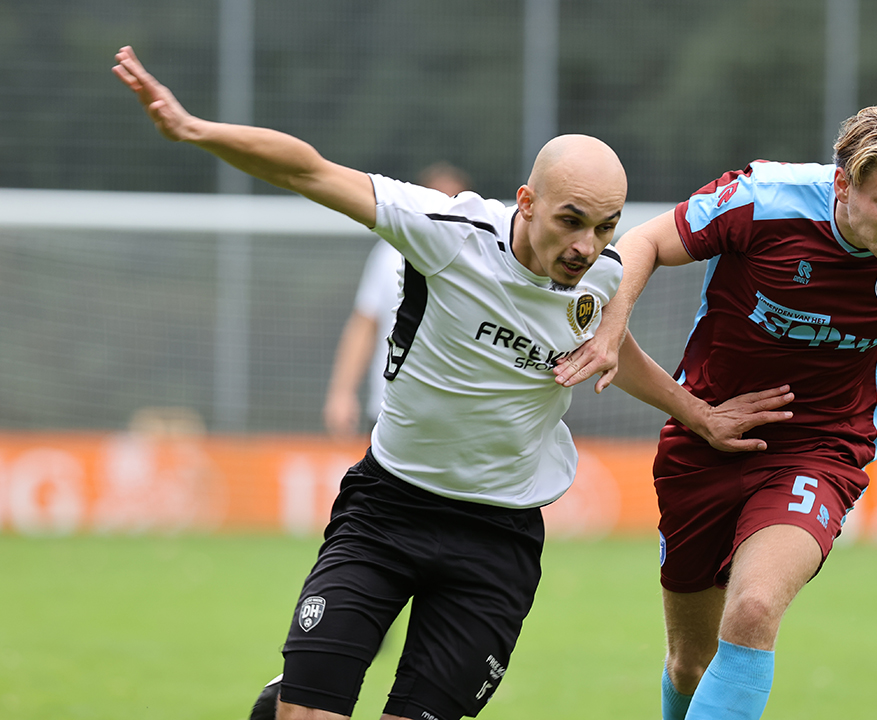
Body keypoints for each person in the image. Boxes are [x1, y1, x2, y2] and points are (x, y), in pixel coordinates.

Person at [111, 44, 636, 720]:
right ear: (527, 202)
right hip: (389, 508)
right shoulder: (446, 231)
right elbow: (307, 169)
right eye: (572, 221)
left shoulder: (603, 274)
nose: (587, 245)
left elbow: (615, 348)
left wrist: (697, 413)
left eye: (605, 227)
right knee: (306, 713)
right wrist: (193, 129)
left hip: (498, 537)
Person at [554, 105, 877, 720]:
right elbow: (644, 240)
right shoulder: (762, 201)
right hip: (708, 434)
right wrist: (610, 330)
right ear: (844, 186)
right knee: (689, 662)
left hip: (824, 443)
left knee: (754, 609)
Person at [323, 163, 472, 440]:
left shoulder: (482, 261)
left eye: (452, 201)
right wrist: (341, 392)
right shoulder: (388, 253)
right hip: (390, 410)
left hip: (459, 416)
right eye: (435, 198)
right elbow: (365, 323)